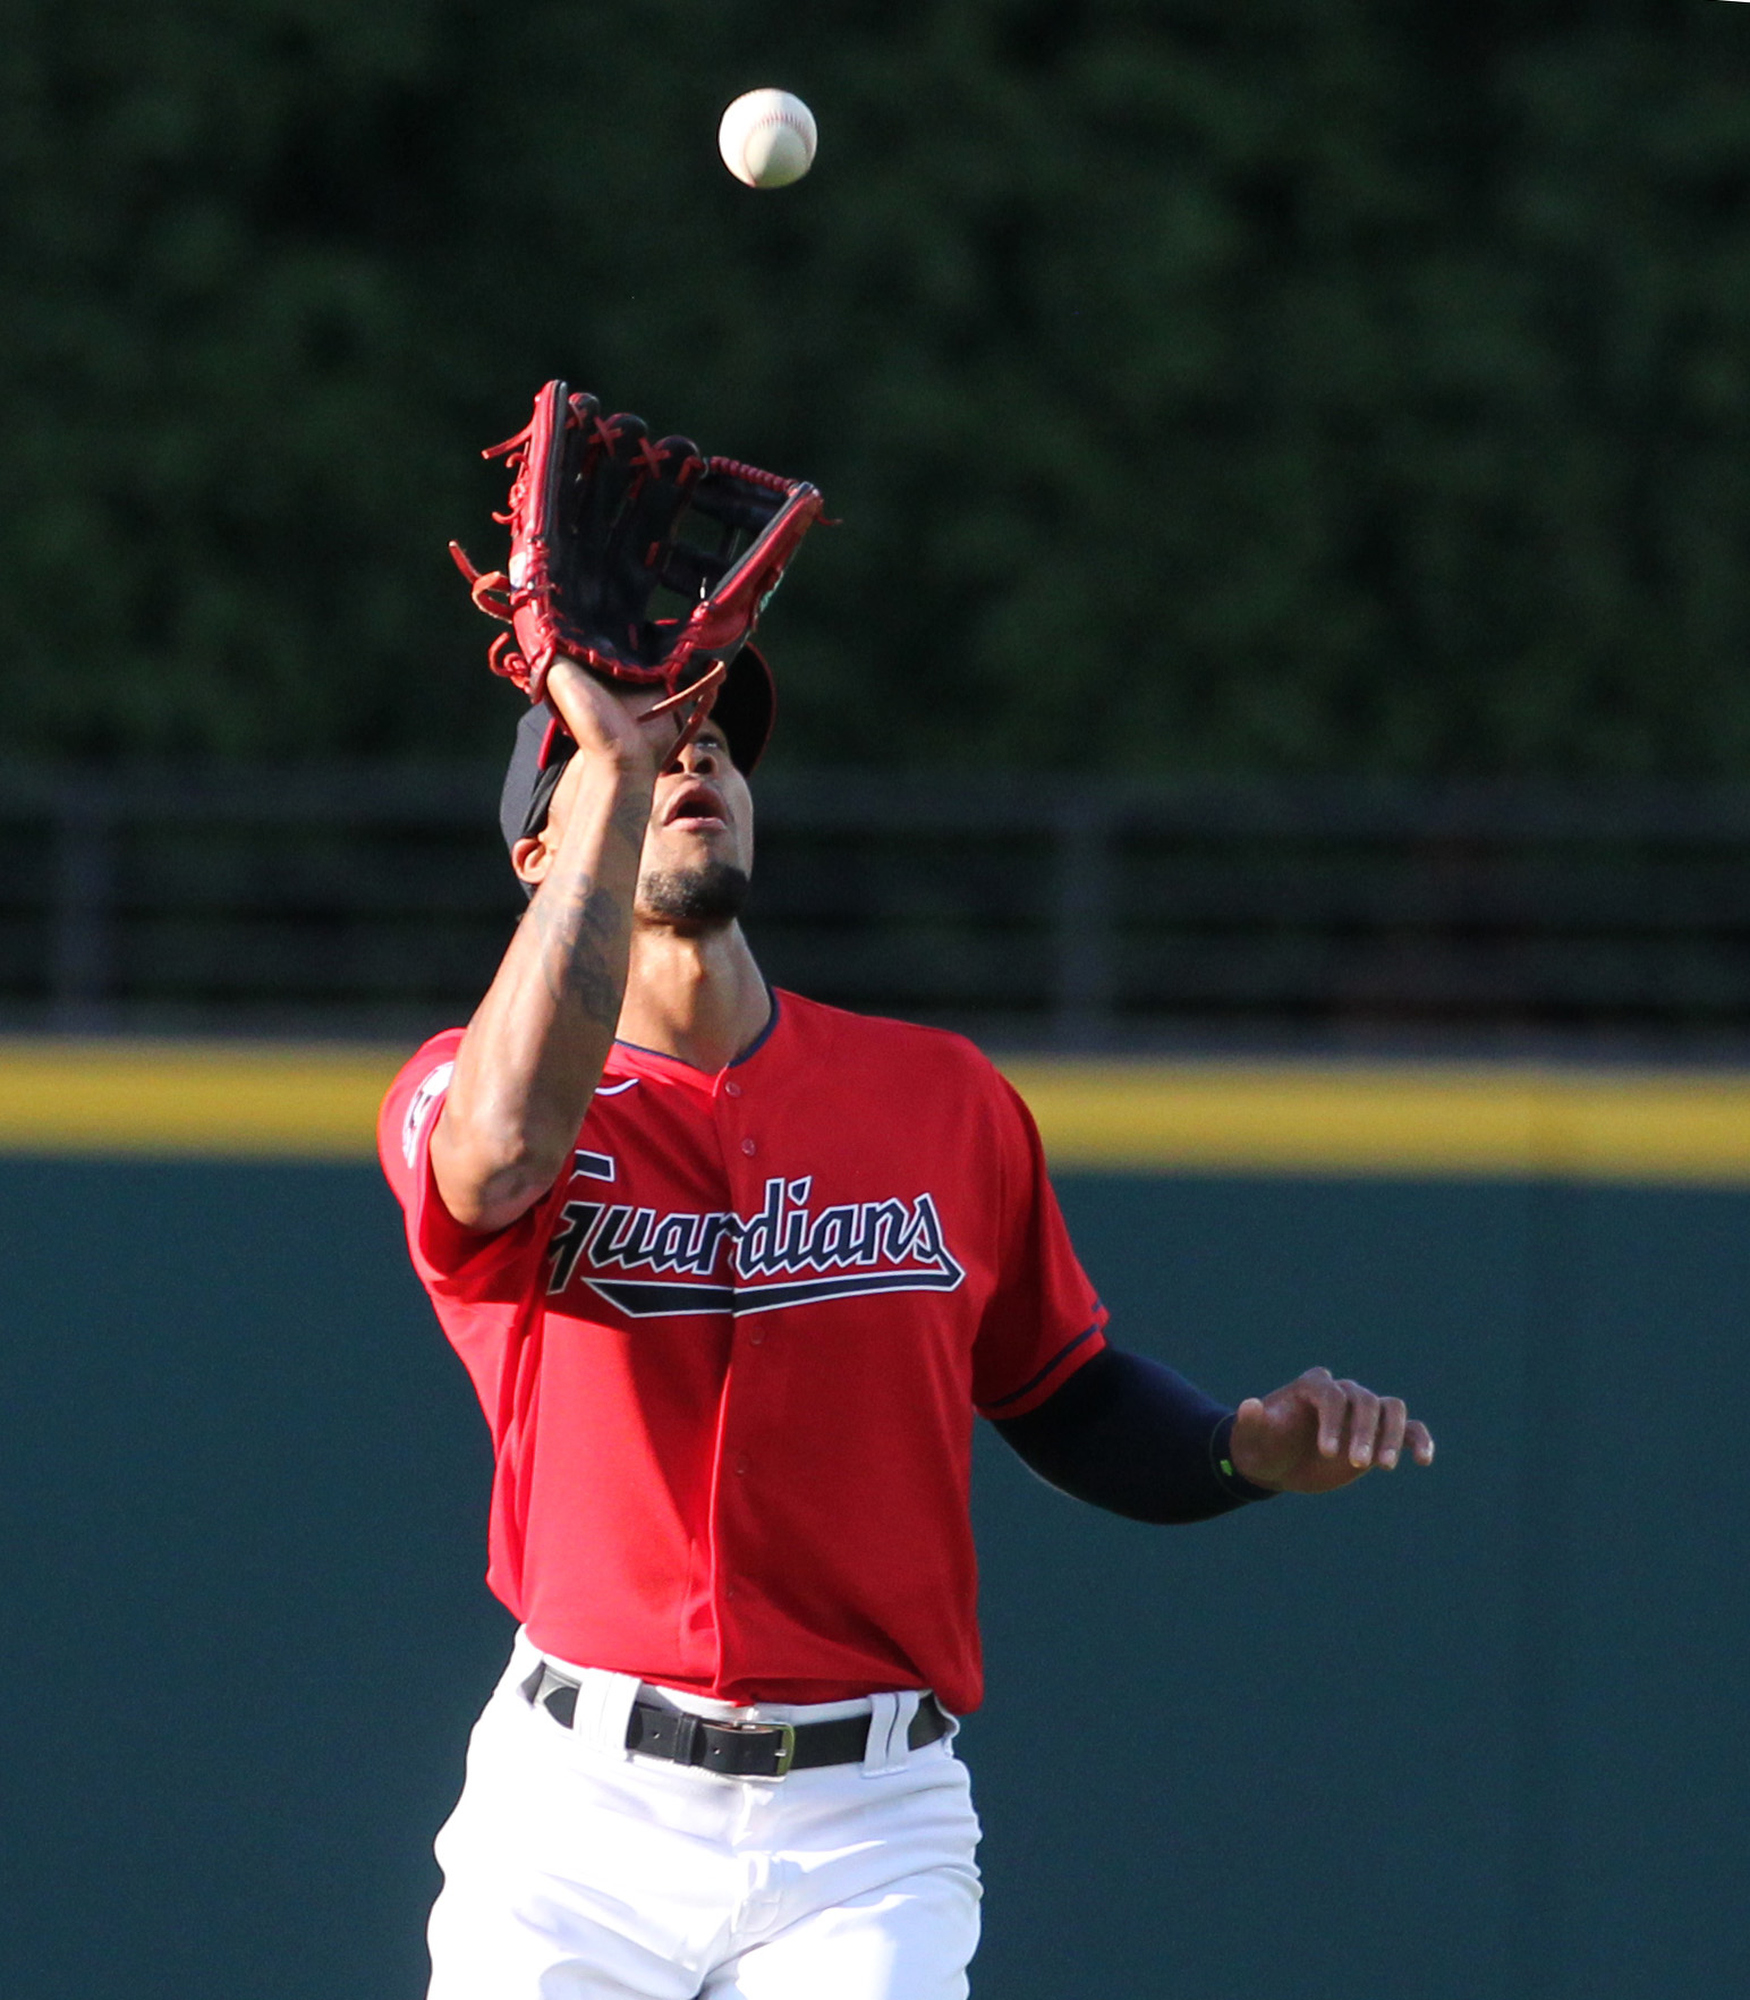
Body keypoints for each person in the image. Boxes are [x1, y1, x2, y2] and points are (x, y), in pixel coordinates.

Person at [378, 646, 1435, 2000]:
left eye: (705, 739)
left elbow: (1062, 1391)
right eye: (629, 754)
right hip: (575, 1817)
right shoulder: (455, 1088)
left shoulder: (936, 1095)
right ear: (544, 854)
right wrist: (612, 782)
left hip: (863, 1825)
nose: (687, 757)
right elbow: (503, 1154)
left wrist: (1240, 1451)